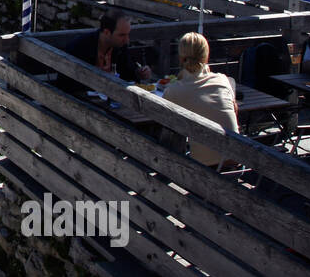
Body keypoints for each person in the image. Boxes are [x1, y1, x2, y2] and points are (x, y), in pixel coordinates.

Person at [162, 33, 240, 168]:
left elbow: (165, 123)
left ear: (180, 58)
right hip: (236, 157)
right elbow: (235, 110)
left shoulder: (174, 90)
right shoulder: (222, 79)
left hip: (204, 166)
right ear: (206, 56)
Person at [63, 11, 153, 94]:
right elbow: (68, 83)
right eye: (122, 35)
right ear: (106, 32)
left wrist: (140, 72)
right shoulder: (80, 47)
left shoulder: (119, 46)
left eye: (127, 34)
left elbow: (127, 70)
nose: (127, 40)